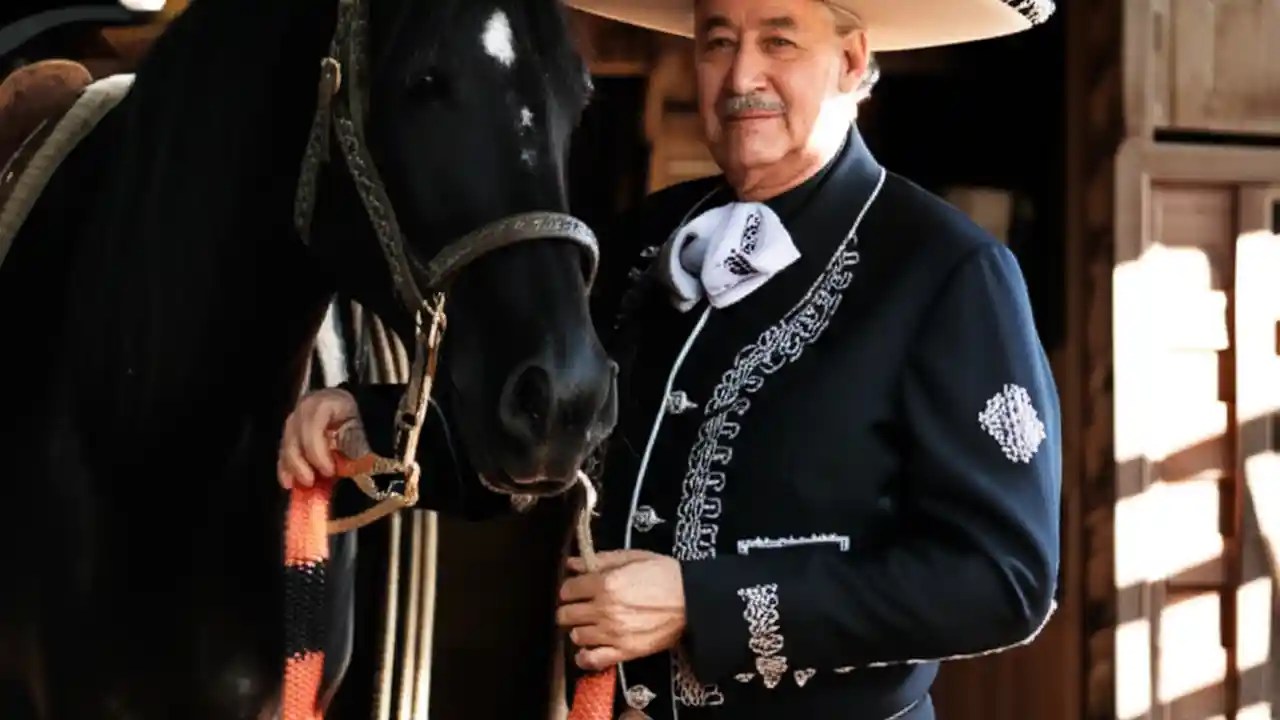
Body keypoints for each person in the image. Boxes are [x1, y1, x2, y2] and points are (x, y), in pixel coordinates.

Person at [277, 0, 1062, 717]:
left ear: (853, 62)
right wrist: (370, 424)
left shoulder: (949, 271)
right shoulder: (644, 238)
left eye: (778, 41)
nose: (740, 75)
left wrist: (701, 603)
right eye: (717, 40)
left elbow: (1003, 581)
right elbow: (545, 438)